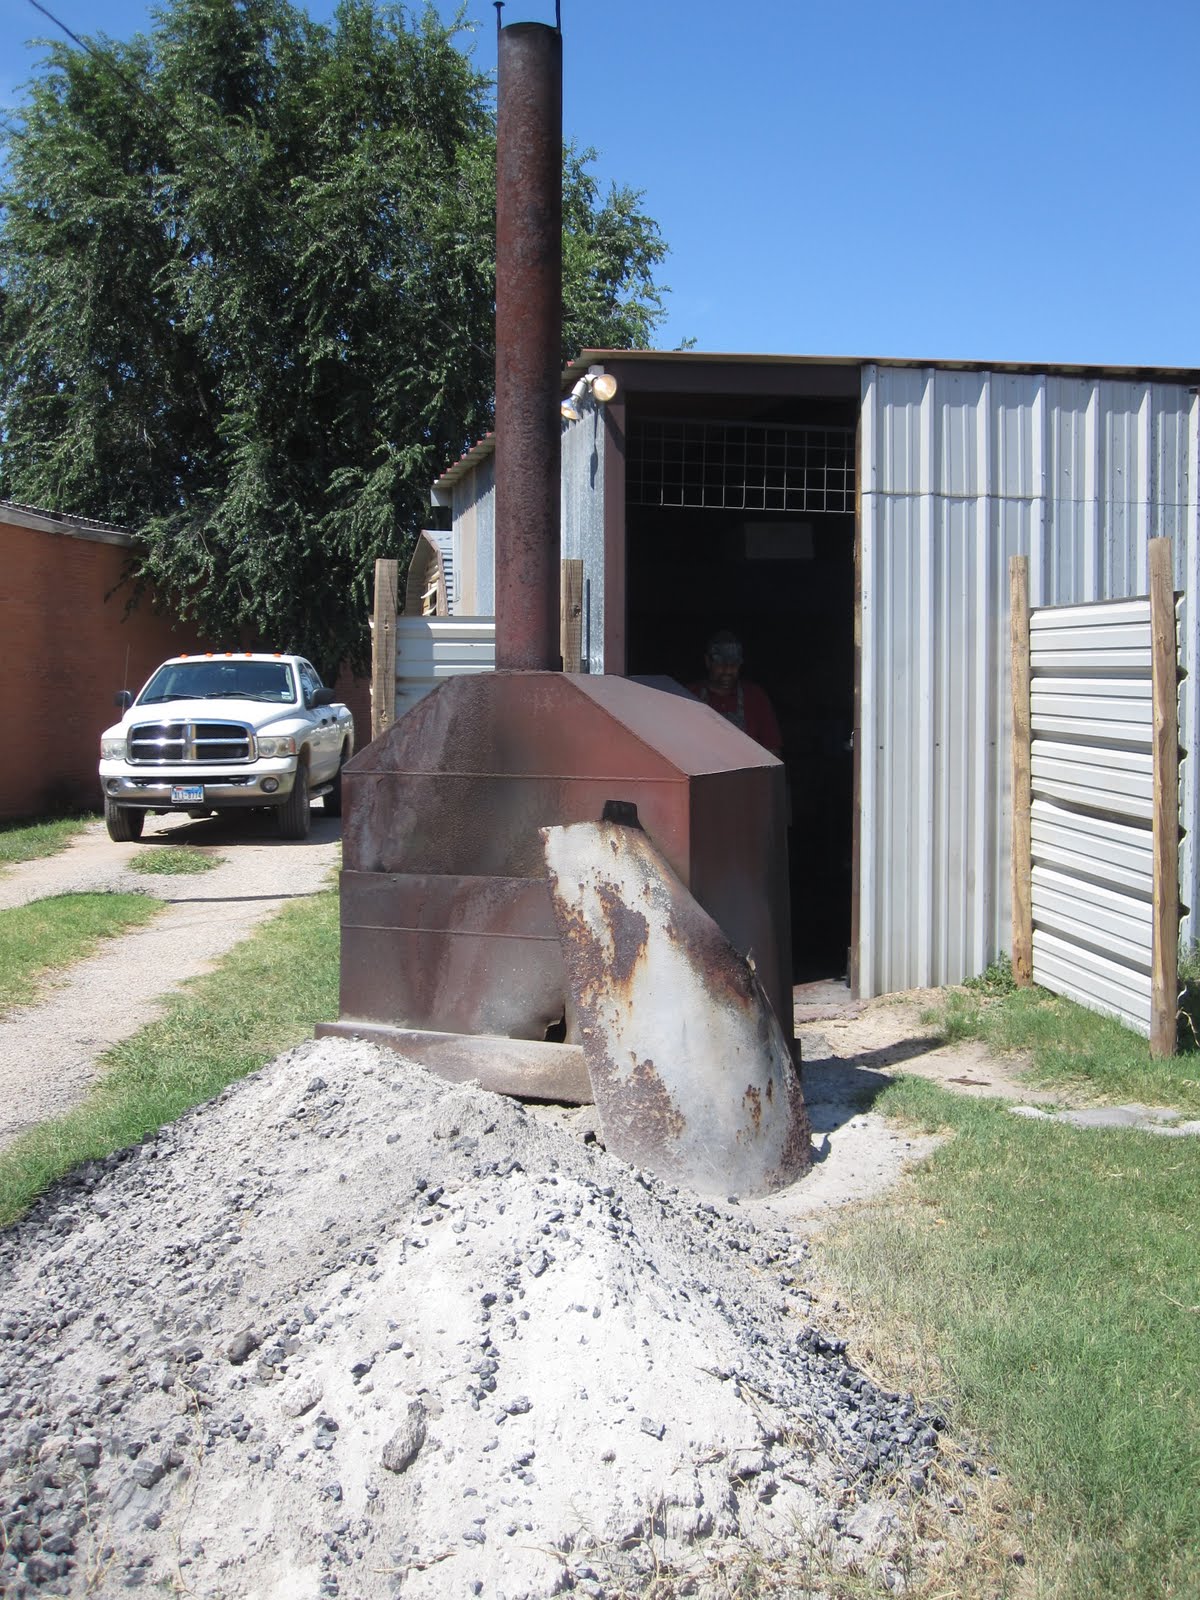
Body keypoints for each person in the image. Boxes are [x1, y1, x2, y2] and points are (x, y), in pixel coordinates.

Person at [690, 629, 782, 758]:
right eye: (721, 663)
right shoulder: (689, 697)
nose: (727, 670)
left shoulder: (755, 696)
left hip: (747, 777)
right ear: (708, 662)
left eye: (733, 664)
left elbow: (772, 750)